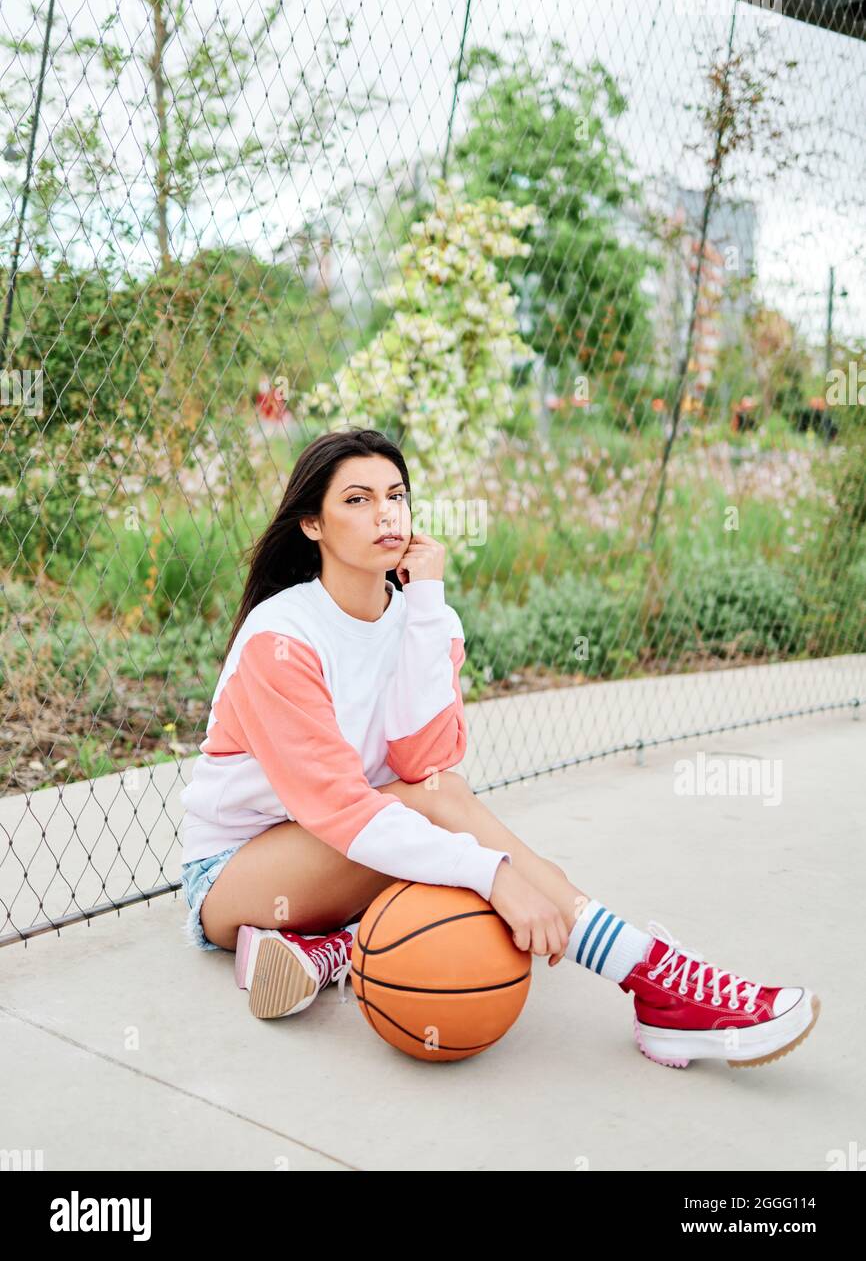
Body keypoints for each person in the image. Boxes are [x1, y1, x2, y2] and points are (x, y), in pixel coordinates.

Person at [178, 426, 820, 1069]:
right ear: (312, 524)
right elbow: (346, 808)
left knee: (460, 817)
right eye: (357, 499)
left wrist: (426, 601)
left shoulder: (422, 616)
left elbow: (422, 762)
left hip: (360, 848)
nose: (385, 514)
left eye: (396, 495)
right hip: (238, 873)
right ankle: (655, 979)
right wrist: (495, 874)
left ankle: (333, 946)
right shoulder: (282, 637)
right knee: (476, 849)